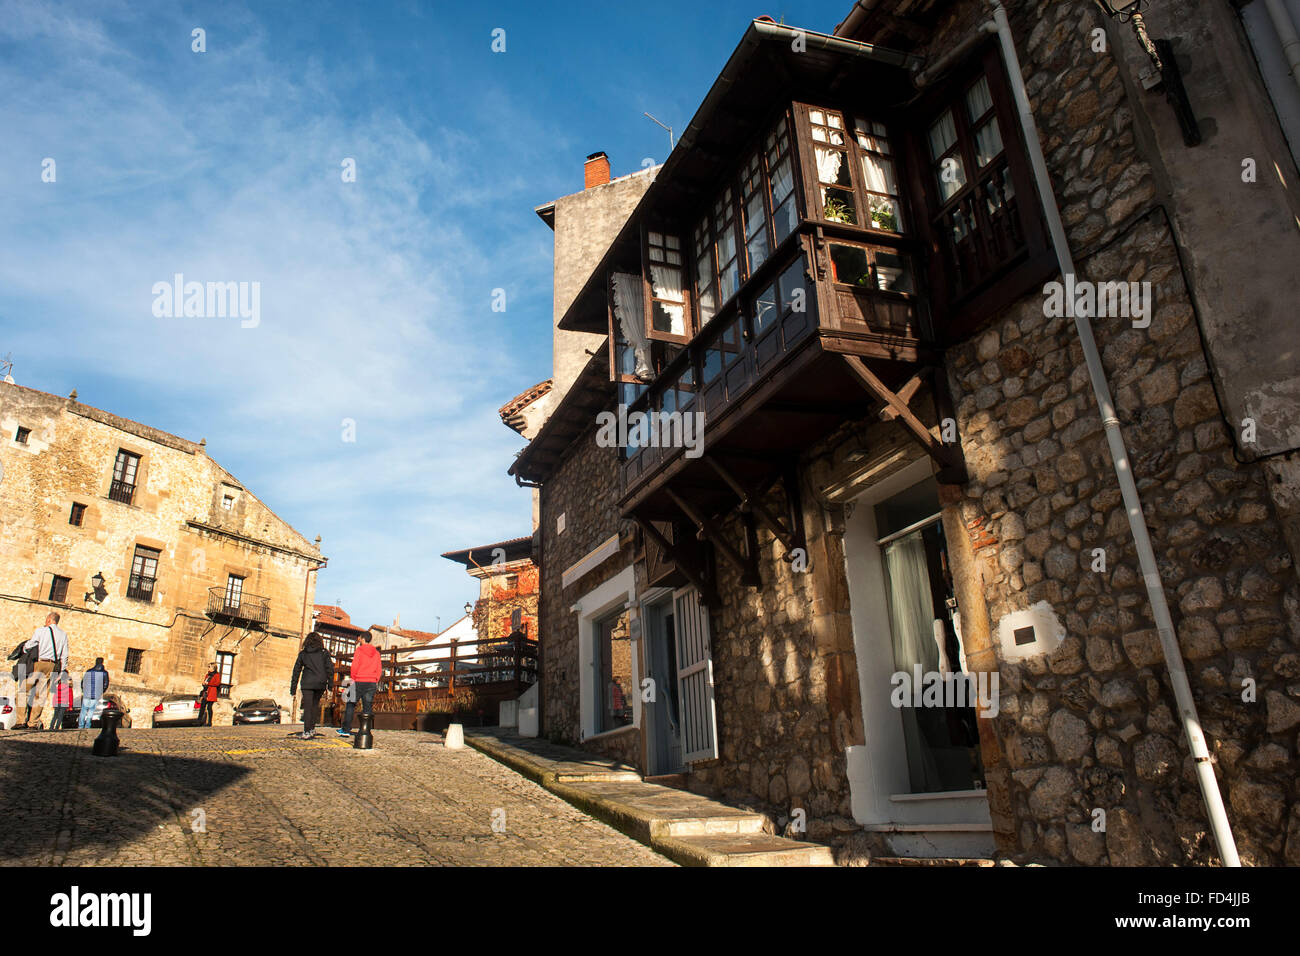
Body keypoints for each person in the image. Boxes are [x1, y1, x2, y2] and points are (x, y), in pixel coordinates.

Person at [19, 612, 69, 730]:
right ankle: (33, 722)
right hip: (51, 666)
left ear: (49, 620)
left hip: (38, 663)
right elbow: (65, 655)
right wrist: (61, 671)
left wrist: (24, 648)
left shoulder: (41, 630)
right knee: (40, 695)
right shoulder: (63, 634)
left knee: (24, 691)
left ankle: (20, 721)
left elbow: (32, 643)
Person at [290, 632, 333, 740]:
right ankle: (312, 728)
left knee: (308, 707)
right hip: (320, 683)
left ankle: (307, 730)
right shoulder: (324, 653)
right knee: (314, 706)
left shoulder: (303, 654)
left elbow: (296, 670)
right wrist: (330, 686)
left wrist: (293, 688)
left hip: (307, 683)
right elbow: (330, 669)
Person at [339, 633, 380, 737]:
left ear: (362, 639)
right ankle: (365, 730)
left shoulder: (359, 650)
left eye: (360, 638)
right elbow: (379, 669)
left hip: (359, 680)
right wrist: (375, 679)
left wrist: (353, 678)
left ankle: (346, 729)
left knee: (350, 704)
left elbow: (354, 666)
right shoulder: (376, 652)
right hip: (371, 682)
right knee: (367, 707)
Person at [80, 658, 111, 730]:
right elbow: (106, 684)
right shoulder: (104, 673)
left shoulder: (89, 671)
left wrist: (83, 690)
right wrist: (101, 692)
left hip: (87, 693)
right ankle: (87, 725)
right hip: (96, 694)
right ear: (102, 663)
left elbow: (83, 682)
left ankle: (81, 726)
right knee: (91, 710)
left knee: (84, 710)